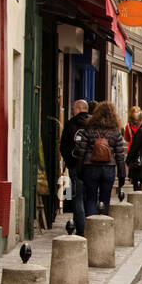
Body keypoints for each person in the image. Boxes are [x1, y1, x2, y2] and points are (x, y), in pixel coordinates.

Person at [72, 101, 127, 219]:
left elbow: (82, 150)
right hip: (108, 168)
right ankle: (103, 227)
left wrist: (79, 169)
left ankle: (90, 226)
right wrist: (122, 174)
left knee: (90, 199)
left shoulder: (89, 128)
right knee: (105, 199)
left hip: (90, 167)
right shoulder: (115, 131)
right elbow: (120, 154)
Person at [59, 99, 90, 235]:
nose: (72, 111)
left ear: (78, 109)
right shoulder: (94, 123)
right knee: (90, 197)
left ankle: (81, 230)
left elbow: (63, 146)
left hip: (75, 166)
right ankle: (91, 228)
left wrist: (70, 160)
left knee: (77, 197)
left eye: (73, 109)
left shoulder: (71, 124)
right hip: (90, 166)